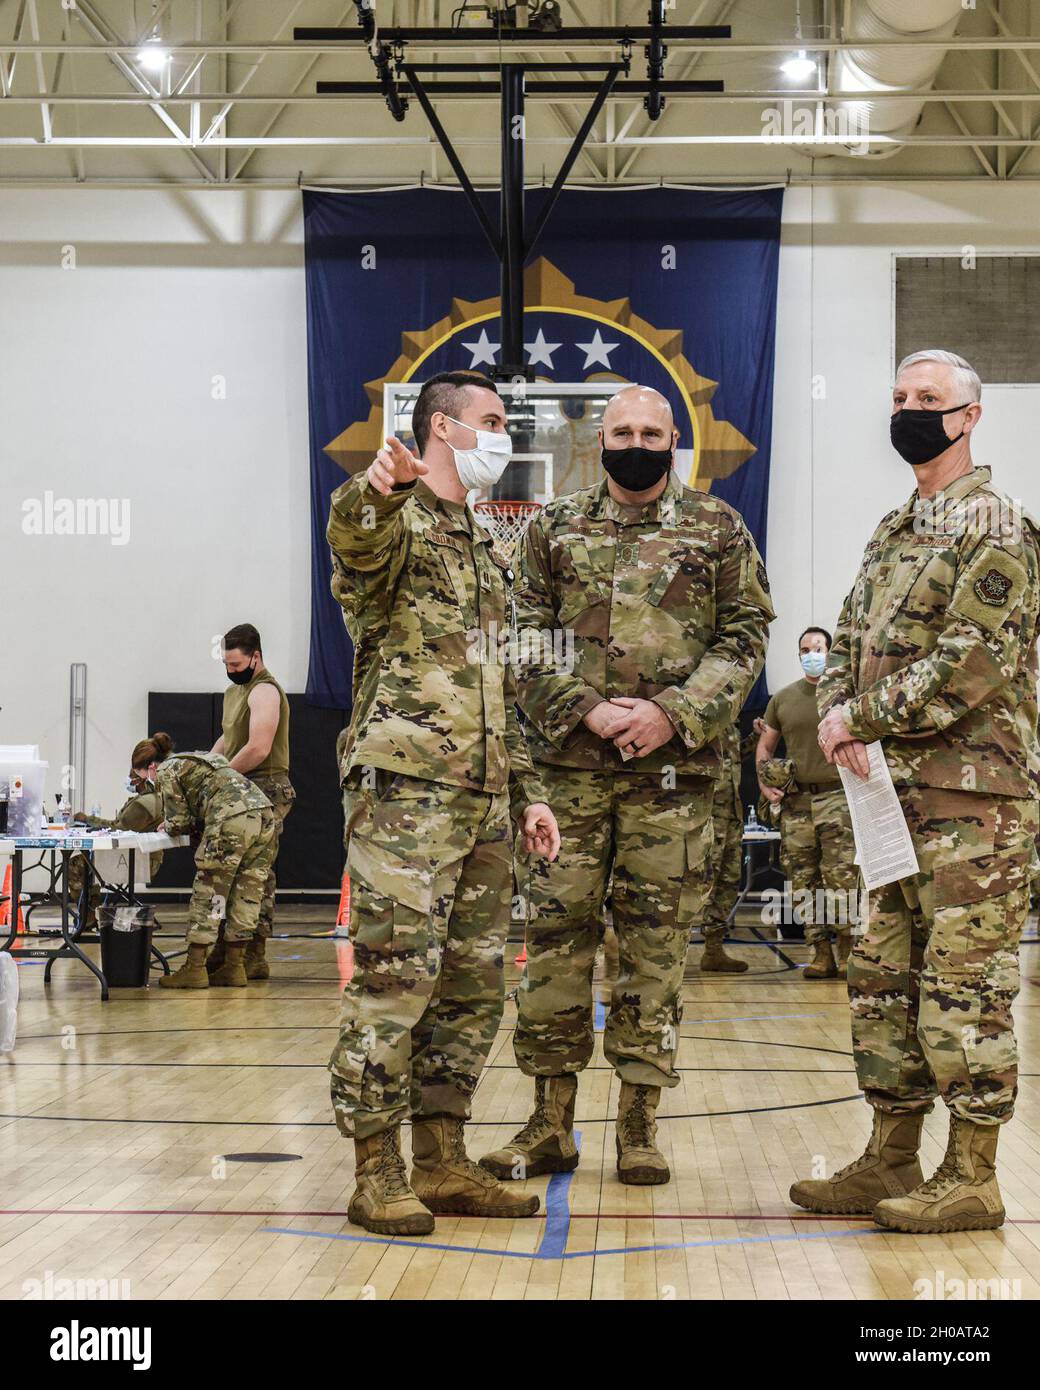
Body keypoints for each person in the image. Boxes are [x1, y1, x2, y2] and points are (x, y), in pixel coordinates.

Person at [481, 384, 774, 1188]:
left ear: (673, 439)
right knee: (553, 949)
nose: (635, 442)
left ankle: (640, 1127)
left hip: (676, 783)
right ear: (598, 440)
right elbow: (519, 636)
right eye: (621, 431)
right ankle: (549, 1123)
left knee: (654, 955)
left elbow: (746, 636)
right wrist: (589, 711)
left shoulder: (718, 528)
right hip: (566, 777)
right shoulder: (551, 528)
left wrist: (673, 714)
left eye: (650, 431)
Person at [790, 349, 1040, 1234]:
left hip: (975, 804)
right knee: (883, 979)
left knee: (964, 987)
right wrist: (836, 714)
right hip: (892, 800)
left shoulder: (997, 527)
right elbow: (847, 637)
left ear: (968, 417)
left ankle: (971, 1175)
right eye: (899, 397)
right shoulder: (896, 530)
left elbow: (972, 662)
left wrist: (859, 717)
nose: (909, 411)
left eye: (927, 400)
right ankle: (890, 1156)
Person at [327, 370, 561, 1237]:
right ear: (444, 429)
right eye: (493, 420)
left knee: (470, 992)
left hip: (488, 803)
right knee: (394, 984)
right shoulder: (395, 522)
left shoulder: (489, 544)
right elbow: (352, 540)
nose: (504, 434)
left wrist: (528, 794)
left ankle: (443, 1160)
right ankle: (375, 1169)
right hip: (407, 802)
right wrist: (375, 487)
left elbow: (505, 686)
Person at [129, 733, 276, 991]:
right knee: (248, 890)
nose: (146, 782)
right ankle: (235, 966)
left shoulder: (166, 771)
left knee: (210, 891)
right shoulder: (198, 759)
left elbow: (180, 821)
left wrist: (169, 824)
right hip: (263, 813)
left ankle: (195, 968)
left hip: (230, 816)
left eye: (142, 777)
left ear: (151, 767)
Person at [756, 627, 860, 979]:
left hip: (838, 799)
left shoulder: (846, 697)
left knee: (842, 880)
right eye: (805, 648)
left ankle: (847, 949)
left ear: (829, 652)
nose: (811, 653)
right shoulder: (782, 699)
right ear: (798, 654)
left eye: (817, 648)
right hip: (797, 802)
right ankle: (820, 953)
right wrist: (764, 781)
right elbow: (766, 747)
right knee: (803, 882)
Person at [208, 623, 295, 981]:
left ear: (255, 657)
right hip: (239, 787)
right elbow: (229, 740)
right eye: (226, 664)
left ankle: (252, 953)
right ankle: (226, 950)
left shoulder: (265, 692)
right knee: (230, 871)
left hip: (265, 788)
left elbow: (258, 747)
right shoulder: (234, 692)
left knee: (255, 875)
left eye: (237, 664)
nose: (231, 670)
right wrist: (204, 767)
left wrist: (220, 778)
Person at [695, 722, 760, 973]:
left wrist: (755, 737)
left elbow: (735, 755)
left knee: (727, 882)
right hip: (706, 814)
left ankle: (713, 951)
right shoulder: (699, 721)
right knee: (699, 885)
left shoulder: (731, 727)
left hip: (732, 813)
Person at [69, 773, 164, 930]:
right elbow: (120, 826)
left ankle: (90, 915)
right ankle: (91, 914)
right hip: (138, 857)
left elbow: (119, 828)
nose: (127, 778)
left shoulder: (143, 804)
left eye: (131, 775)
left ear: (141, 778)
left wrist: (88, 819)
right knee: (86, 861)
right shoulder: (148, 799)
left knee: (76, 864)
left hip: (137, 862)